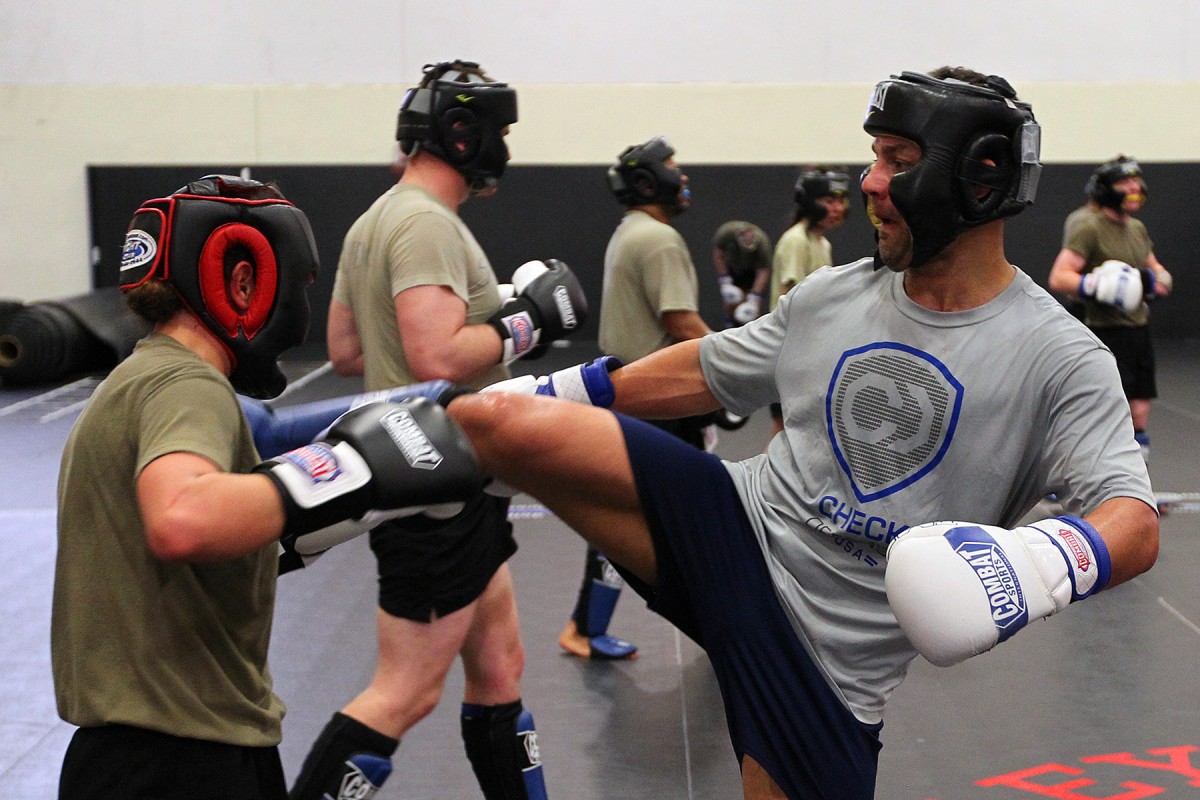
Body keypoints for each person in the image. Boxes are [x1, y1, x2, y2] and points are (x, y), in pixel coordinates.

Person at [441, 68, 1160, 800]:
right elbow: (711, 366)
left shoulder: (1061, 358)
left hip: (831, 667)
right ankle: (322, 493)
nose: (871, 182)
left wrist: (1037, 564)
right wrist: (568, 388)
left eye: (899, 163)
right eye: (875, 156)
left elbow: (1132, 521)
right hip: (733, 531)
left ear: (977, 182)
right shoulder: (832, 294)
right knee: (490, 419)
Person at [51, 175, 482, 800]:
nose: (298, 311)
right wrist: (347, 470)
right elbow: (183, 518)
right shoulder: (184, 386)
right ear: (244, 281)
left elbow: (182, 553)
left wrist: (344, 513)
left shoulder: (135, 381)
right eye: (295, 285)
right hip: (178, 757)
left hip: (156, 744)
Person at [290, 60, 585, 800]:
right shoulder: (425, 224)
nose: (504, 149)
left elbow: (347, 352)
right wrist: (528, 321)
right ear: (464, 133)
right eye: (500, 133)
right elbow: (435, 355)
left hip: (454, 479)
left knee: (500, 666)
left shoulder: (375, 219)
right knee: (404, 692)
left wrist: (500, 323)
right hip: (435, 487)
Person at [555, 137, 714, 662]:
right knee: (675, 516)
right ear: (648, 182)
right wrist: (745, 366)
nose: (682, 175)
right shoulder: (660, 239)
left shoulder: (631, 232)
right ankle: (588, 625)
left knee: (638, 513)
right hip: (654, 400)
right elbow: (682, 323)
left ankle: (587, 624)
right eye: (672, 166)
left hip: (624, 392)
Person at [1047, 155, 1173, 463]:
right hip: (1098, 328)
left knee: (1139, 407)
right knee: (1092, 406)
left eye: (1136, 182)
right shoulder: (1086, 224)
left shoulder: (1137, 229)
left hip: (1135, 327)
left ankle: (1132, 481)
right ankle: (1067, 472)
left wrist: (1147, 281)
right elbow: (1060, 277)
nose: (1133, 189)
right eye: (1124, 183)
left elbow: (1162, 276)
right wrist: (1098, 285)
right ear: (1106, 189)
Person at [767, 167, 851, 437]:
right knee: (785, 430)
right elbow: (794, 297)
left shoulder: (821, 243)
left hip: (811, 348)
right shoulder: (796, 241)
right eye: (829, 201)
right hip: (791, 348)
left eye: (840, 200)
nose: (837, 207)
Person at [711, 220, 773, 328]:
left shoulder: (763, 243)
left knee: (750, 310)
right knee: (731, 299)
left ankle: (752, 329)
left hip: (751, 272)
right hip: (733, 268)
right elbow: (719, 255)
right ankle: (729, 326)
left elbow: (763, 270)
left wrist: (755, 296)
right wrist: (725, 280)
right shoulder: (726, 233)